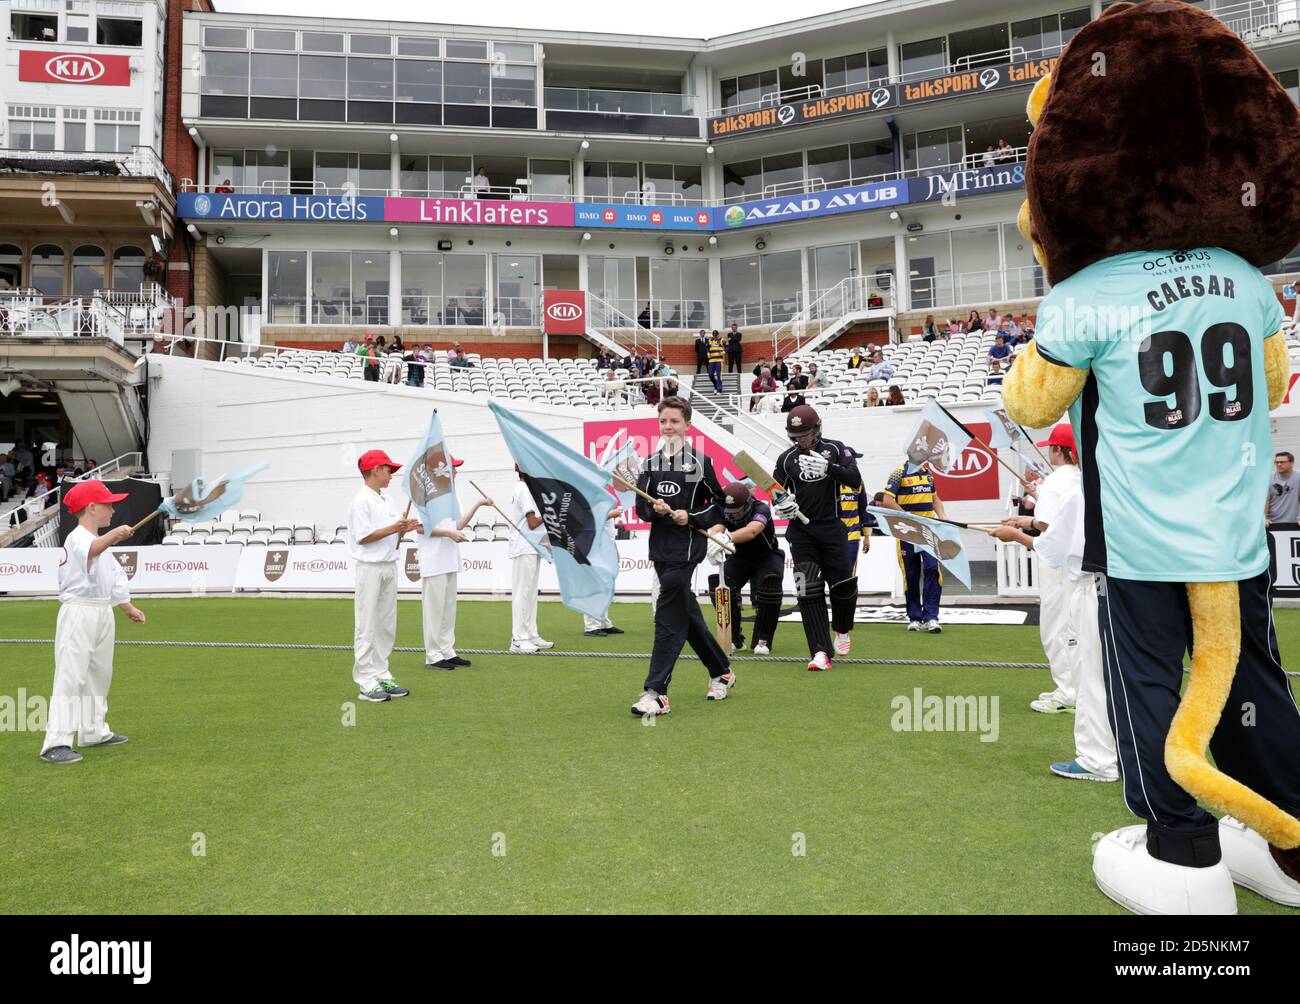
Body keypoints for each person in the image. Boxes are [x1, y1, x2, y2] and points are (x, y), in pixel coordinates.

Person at [992, 425, 1121, 783]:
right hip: (1124, 586)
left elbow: (1051, 544)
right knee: (1120, 673)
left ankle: (1098, 759)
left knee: (1089, 671)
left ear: (1062, 451)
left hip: (1087, 581)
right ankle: (1129, 754)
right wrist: (1029, 519)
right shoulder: (1102, 481)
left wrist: (1016, 534)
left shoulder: (1075, 486)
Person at [630, 396, 734, 715]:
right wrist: (655, 508)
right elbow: (641, 509)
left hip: (687, 549)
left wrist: (691, 516)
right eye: (663, 421)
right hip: (660, 549)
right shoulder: (649, 463)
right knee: (686, 616)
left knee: (667, 616)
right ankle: (722, 672)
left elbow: (721, 504)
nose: (668, 427)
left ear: (687, 425)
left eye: (674, 421)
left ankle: (656, 692)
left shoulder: (701, 462)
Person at [38, 481, 145, 765]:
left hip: (101, 612)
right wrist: (114, 535)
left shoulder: (98, 543)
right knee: (71, 676)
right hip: (79, 612)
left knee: (100, 674)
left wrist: (126, 607)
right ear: (92, 507)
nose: (113, 509)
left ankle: (93, 730)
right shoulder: (78, 538)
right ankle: (56, 743)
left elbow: (113, 579)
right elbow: (92, 551)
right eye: (108, 504)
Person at [772, 404, 863, 669]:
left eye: (805, 434)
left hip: (832, 528)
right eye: (795, 435)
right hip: (801, 532)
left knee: (843, 586)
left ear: (817, 429)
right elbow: (775, 490)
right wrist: (782, 503)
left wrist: (828, 468)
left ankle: (843, 628)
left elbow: (855, 479)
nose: (800, 439)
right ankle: (820, 652)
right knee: (808, 587)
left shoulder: (835, 449)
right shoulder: (786, 458)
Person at [347, 450, 421, 702]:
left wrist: (404, 529)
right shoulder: (360, 501)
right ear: (375, 470)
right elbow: (364, 536)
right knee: (367, 624)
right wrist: (394, 528)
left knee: (386, 625)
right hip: (369, 568)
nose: (391, 474)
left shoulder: (387, 500)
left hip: (389, 565)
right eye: (388, 469)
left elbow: (392, 535)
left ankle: (382, 674)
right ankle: (366, 681)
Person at [420, 461, 491, 669]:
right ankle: (432, 655)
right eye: (453, 468)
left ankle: (447, 651)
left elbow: (458, 525)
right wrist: (448, 533)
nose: (456, 471)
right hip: (433, 561)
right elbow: (419, 527)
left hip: (450, 559)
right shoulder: (426, 494)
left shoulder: (453, 496)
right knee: (434, 611)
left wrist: (478, 504)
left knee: (448, 609)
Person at [705, 483, 785, 655]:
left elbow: (752, 531)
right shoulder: (724, 509)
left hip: (767, 556)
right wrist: (713, 539)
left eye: (738, 511)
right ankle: (734, 639)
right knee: (719, 587)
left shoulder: (761, 508)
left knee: (770, 587)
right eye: (730, 511)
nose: (733, 515)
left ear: (748, 503)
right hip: (739, 558)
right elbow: (717, 527)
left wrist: (727, 536)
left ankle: (763, 640)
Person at [880, 454, 945, 632]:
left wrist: (943, 518)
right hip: (906, 531)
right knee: (911, 574)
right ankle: (915, 617)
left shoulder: (928, 474)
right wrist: (908, 517)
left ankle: (931, 617)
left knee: (933, 569)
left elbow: (935, 498)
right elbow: (887, 500)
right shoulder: (898, 473)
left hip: (928, 531)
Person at [507, 467, 556, 654]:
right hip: (524, 545)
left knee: (530, 593)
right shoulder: (523, 489)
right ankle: (518, 639)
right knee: (523, 593)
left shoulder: (527, 488)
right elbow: (532, 522)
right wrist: (549, 513)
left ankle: (531, 633)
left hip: (533, 546)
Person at [583, 504, 627, 637]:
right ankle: (591, 626)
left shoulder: (602, 497)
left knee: (605, 587)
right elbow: (588, 518)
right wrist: (612, 513)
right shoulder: (589, 495)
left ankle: (603, 623)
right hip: (594, 546)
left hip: (606, 546)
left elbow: (608, 530)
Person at [1267, 451, 1299, 525]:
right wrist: (1265, 518)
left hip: (1294, 524)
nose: (1279, 464)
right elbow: (1266, 501)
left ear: (1291, 463)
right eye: (1276, 462)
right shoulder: (1269, 478)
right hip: (1272, 523)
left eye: (1282, 462)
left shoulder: (1298, 477)